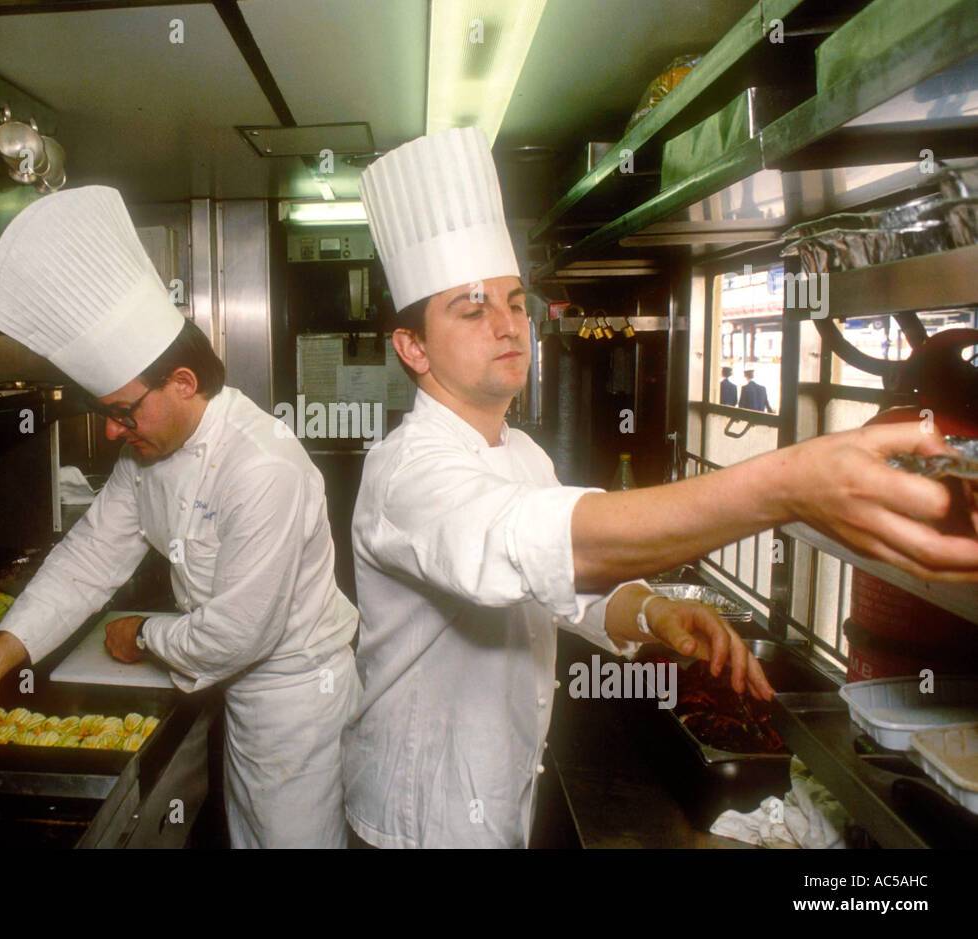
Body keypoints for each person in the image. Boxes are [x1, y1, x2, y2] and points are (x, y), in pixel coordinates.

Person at [343, 126, 978, 849]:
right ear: (412, 347)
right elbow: (517, 545)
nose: (507, 325)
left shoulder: (520, 453)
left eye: (516, 302)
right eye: (471, 307)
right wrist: (782, 486)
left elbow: (565, 586)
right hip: (411, 824)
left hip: (499, 799)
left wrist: (652, 610)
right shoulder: (404, 471)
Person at [0, 186, 361, 848]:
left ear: (184, 383)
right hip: (242, 701)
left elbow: (238, 635)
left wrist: (143, 633)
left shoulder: (263, 469)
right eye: (108, 411)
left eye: (125, 410)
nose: (114, 430)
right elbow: (87, 560)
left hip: (298, 704)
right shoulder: (150, 452)